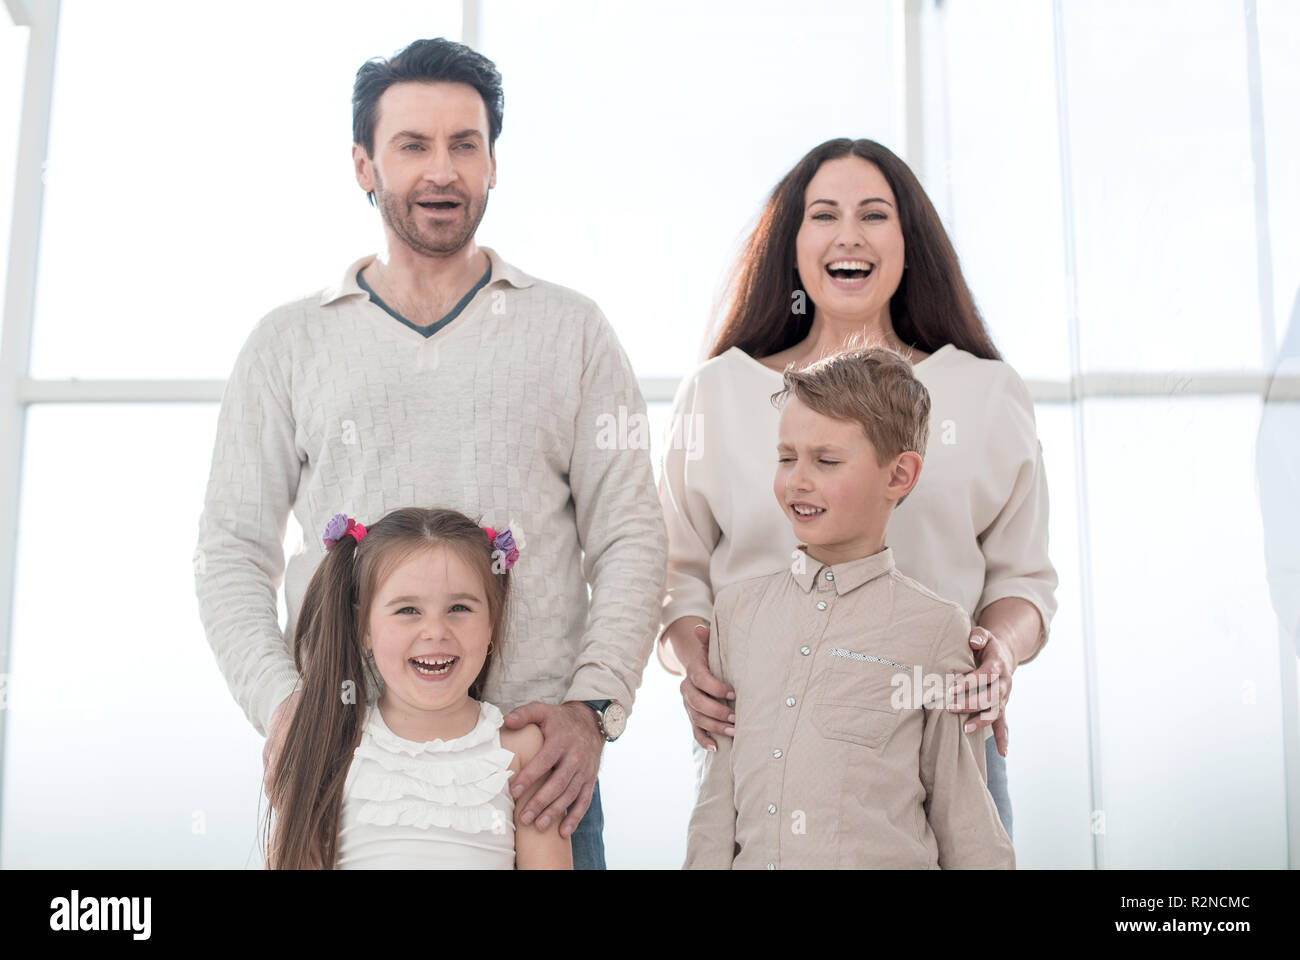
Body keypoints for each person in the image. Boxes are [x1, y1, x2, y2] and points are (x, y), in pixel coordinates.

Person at [194, 37, 666, 871]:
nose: (441, 170)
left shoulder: (572, 330)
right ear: (363, 164)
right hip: (344, 773)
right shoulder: (288, 343)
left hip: (537, 775)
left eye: (465, 145)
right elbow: (231, 550)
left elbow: (630, 534)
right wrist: (282, 706)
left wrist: (592, 710)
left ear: (492, 165)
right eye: (413, 145)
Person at [658, 138, 1058, 839]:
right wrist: (695, 665)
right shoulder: (718, 393)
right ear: (792, 243)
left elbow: (1022, 581)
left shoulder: (986, 394)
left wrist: (998, 651)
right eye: (824, 215)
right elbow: (675, 576)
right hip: (763, 750)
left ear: (910, 245)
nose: (849, 235)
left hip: (944, 746)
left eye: (874, 215)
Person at [684, 348, 1014, 869]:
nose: (798, 480)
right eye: (787, 457)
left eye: (827, 460)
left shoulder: (936, 629)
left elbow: (967, 824)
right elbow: (714, 812)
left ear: (899, 475)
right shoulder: (736, 615)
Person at [263, 507, 571, 869]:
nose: (435, 631)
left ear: (492, 620)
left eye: (459, 607)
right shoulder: (336, 747)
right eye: (408, 610)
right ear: (364, 627)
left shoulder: (523, 751)